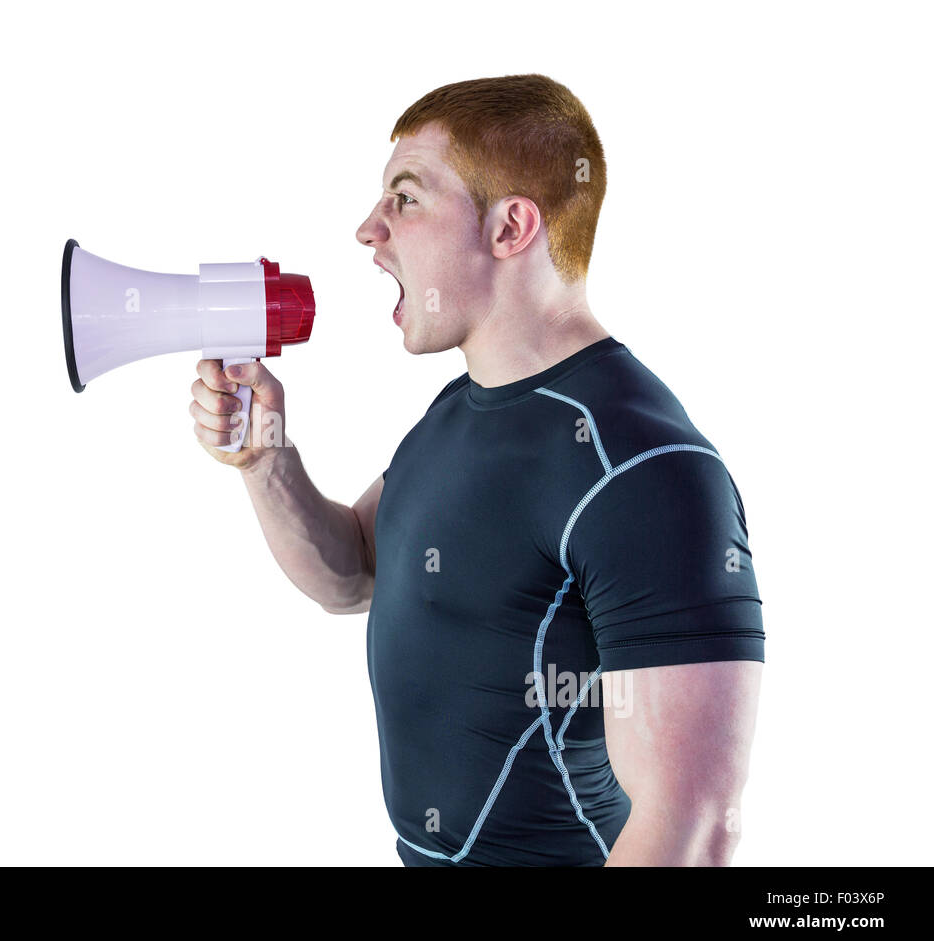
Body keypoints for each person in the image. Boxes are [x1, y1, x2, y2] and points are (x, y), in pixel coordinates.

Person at [188, 75, 764, 867]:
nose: (368, 229)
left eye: (406, 198)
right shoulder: (457, 413)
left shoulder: (645, 469)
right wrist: (265, 459)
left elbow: (693, 829)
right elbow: (353, 575)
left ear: (510, 227)